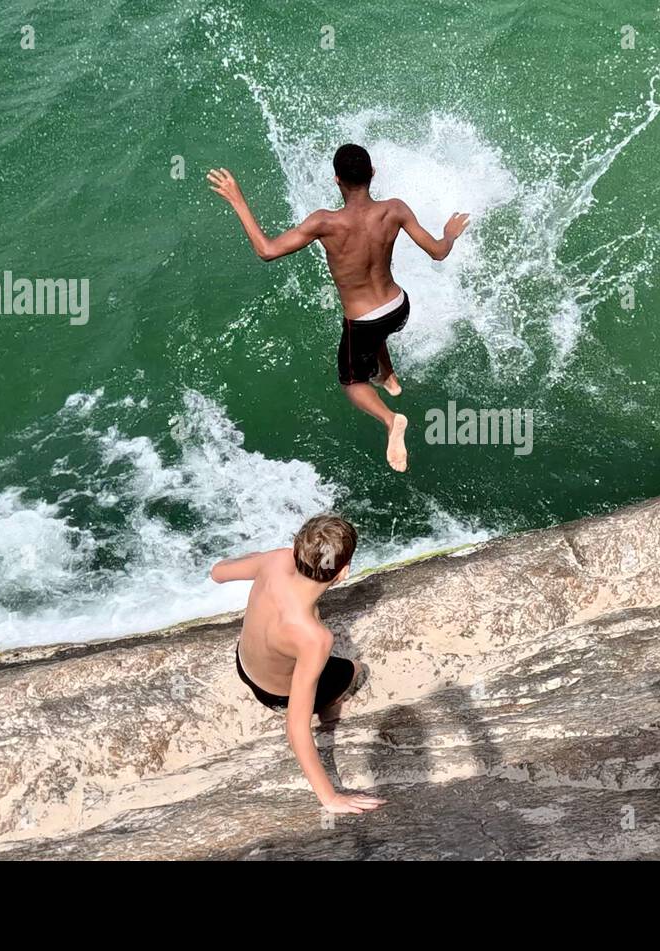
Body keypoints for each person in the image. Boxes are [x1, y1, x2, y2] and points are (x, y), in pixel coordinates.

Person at [208, 145, 471, 472]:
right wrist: (449, 235)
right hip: (399, 308)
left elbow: (267, 250)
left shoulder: (325, 222)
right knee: (375, 333)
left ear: (336, 180)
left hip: (364, 322)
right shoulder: (395, 209)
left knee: (352, 383)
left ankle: (391, 420)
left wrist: (237, 199)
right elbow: (438, 252)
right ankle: (388, 376)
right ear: (372, 174)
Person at [211, 514, 385, 815]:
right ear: (343, 573)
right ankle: (330, 710)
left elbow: (218, 573)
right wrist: (331, 799)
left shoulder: (276, 561)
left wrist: (259, 561)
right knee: (354, 669)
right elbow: (296, 728)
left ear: (296, 549)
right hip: (275, 695)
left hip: (243, 663)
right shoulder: (313, 638)